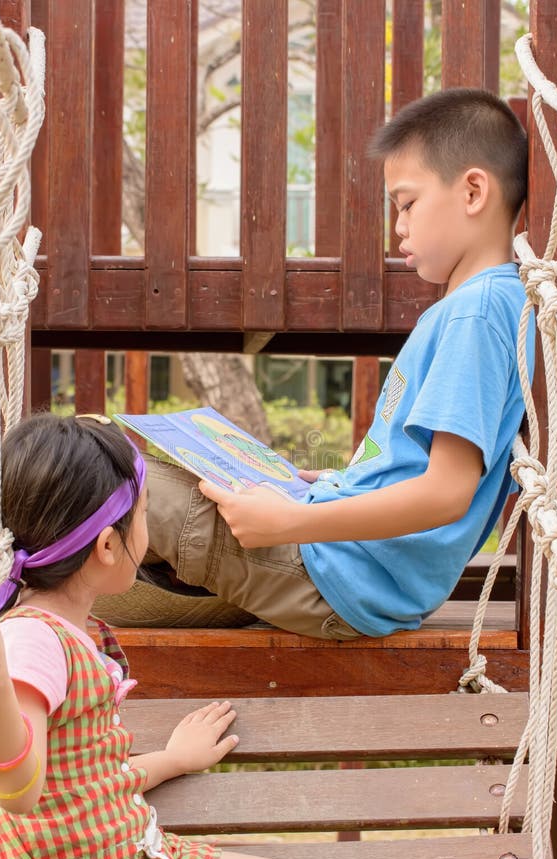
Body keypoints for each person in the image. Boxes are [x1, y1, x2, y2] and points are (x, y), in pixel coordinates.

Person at [0, 413, 557, 859]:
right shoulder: (30, 644)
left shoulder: (70, 630)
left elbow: (81, 786)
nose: (151, 525)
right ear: (107, 546)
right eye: (147, 513)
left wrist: (172, 761)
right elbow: (19, 789)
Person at [106, 86, 535, 640]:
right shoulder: (489, 306)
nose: (399, 226)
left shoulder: (474, 315)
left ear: (473, 190)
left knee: (104, 472)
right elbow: (418, 467)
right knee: (136, 477)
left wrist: (293, 520)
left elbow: (447, 491)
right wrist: (336, 481)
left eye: (407, 204)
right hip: (347, 566)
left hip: (337, 574)